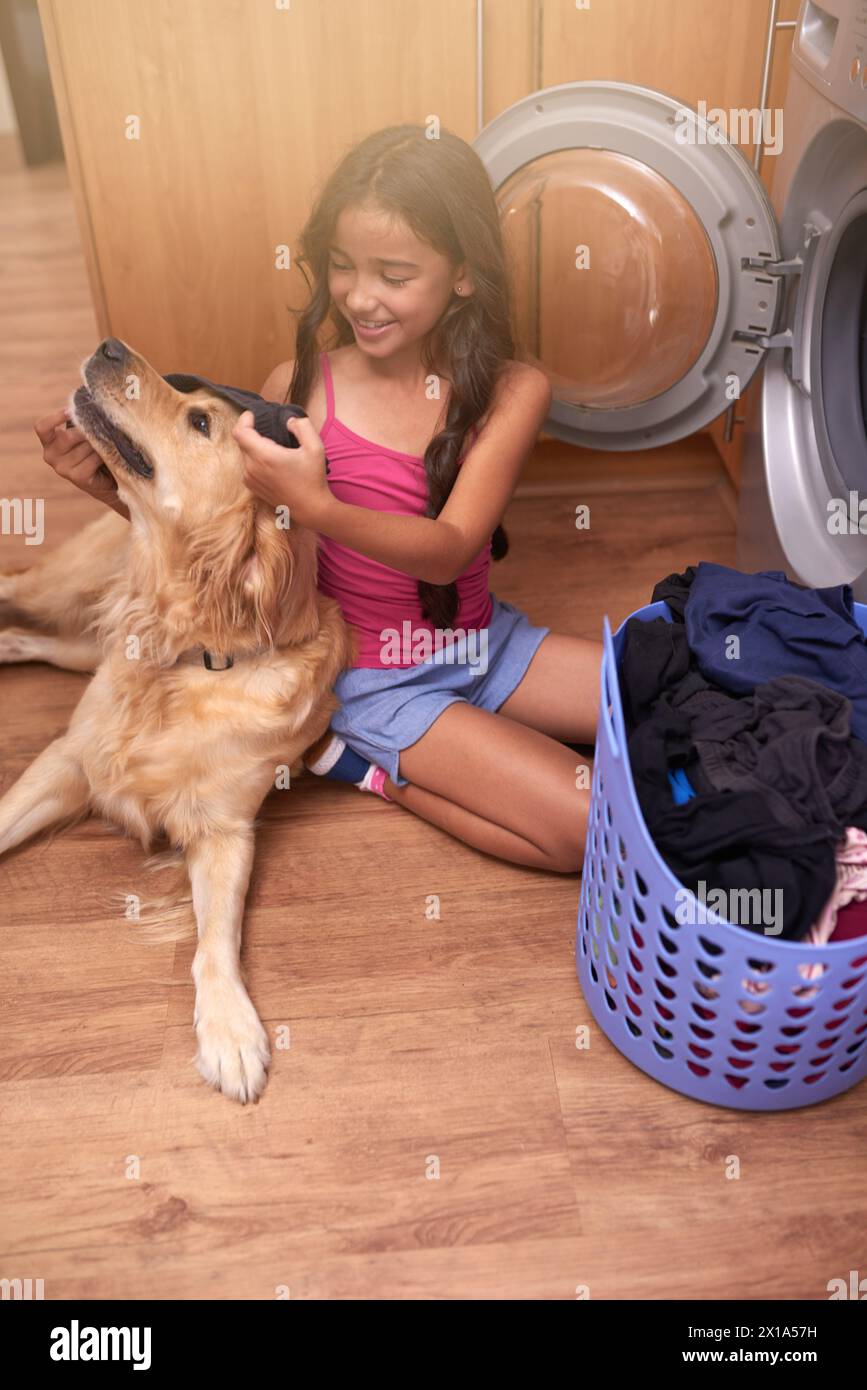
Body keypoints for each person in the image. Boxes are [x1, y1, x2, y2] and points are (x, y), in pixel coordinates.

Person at [37, 124, 602, 874]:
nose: (360, 297)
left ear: (464, 273)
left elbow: (455, 545)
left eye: (394, 274)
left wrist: (319, 507)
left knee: (659, 684)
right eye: (341, 267)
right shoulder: (296, 389)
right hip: (368, 678)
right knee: (581, 826)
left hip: (483, 643)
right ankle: (358, 764)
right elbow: (224, 541)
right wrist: (103, 486)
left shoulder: (512, 389)